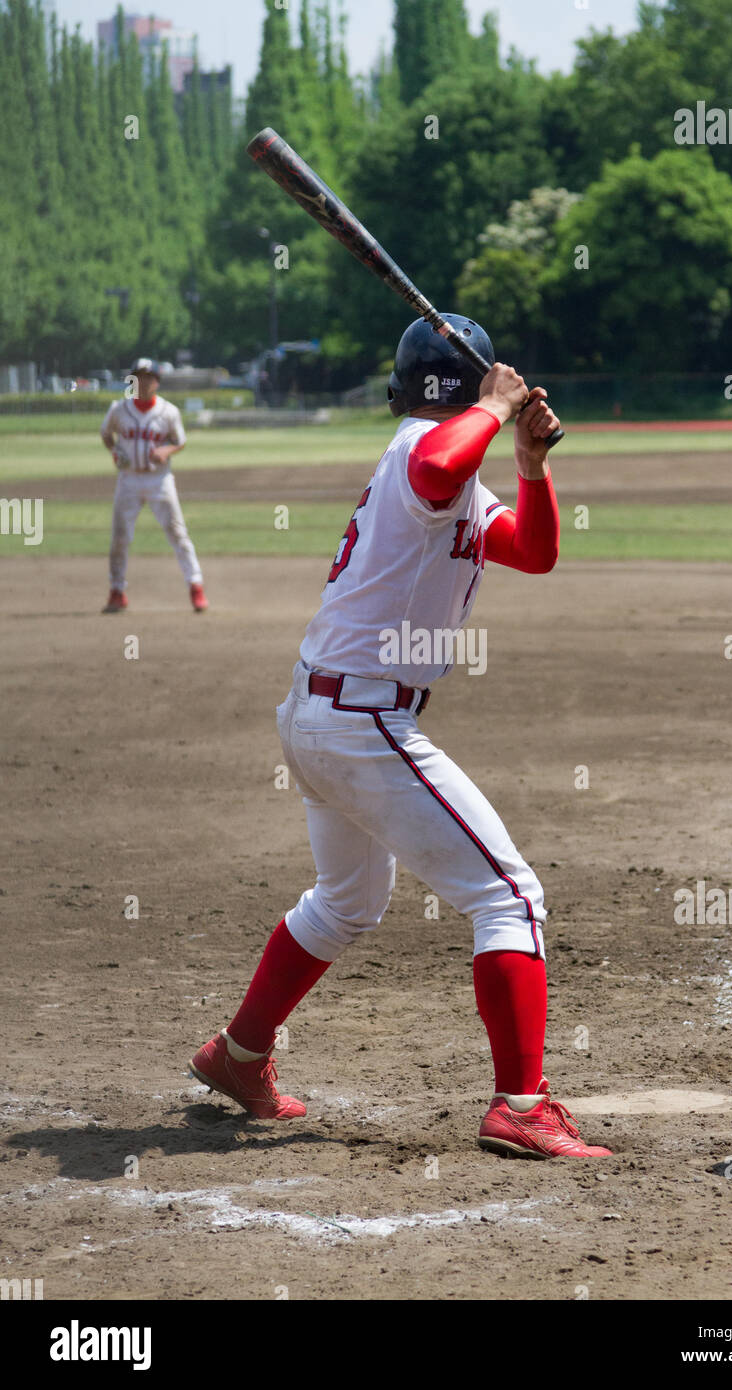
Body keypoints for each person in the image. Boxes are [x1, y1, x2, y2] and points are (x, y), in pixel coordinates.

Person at [189, 313, 611, 1160]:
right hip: (359, 717)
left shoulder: (456, 476)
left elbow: (532, 551)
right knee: (510, 896)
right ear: (466, 389)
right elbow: (436, 459)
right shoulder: (423, 447)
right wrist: (494, 410)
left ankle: (237, 1057)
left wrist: (529, 465)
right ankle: (521, 1106)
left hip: (327, 714)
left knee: (346, 902)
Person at [99, 358, 208, 613]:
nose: (143, 382)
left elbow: (180, 441)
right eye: (138, 377)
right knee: (119, 538)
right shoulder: (118, 409)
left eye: (148, 377)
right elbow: (106, 433)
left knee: (178, 534)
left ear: (157, 381)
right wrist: (114, 450)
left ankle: (196, 587)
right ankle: (117, 592)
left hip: (159, 480)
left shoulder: (168, 412)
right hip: (128, 480)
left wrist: (166, 450)